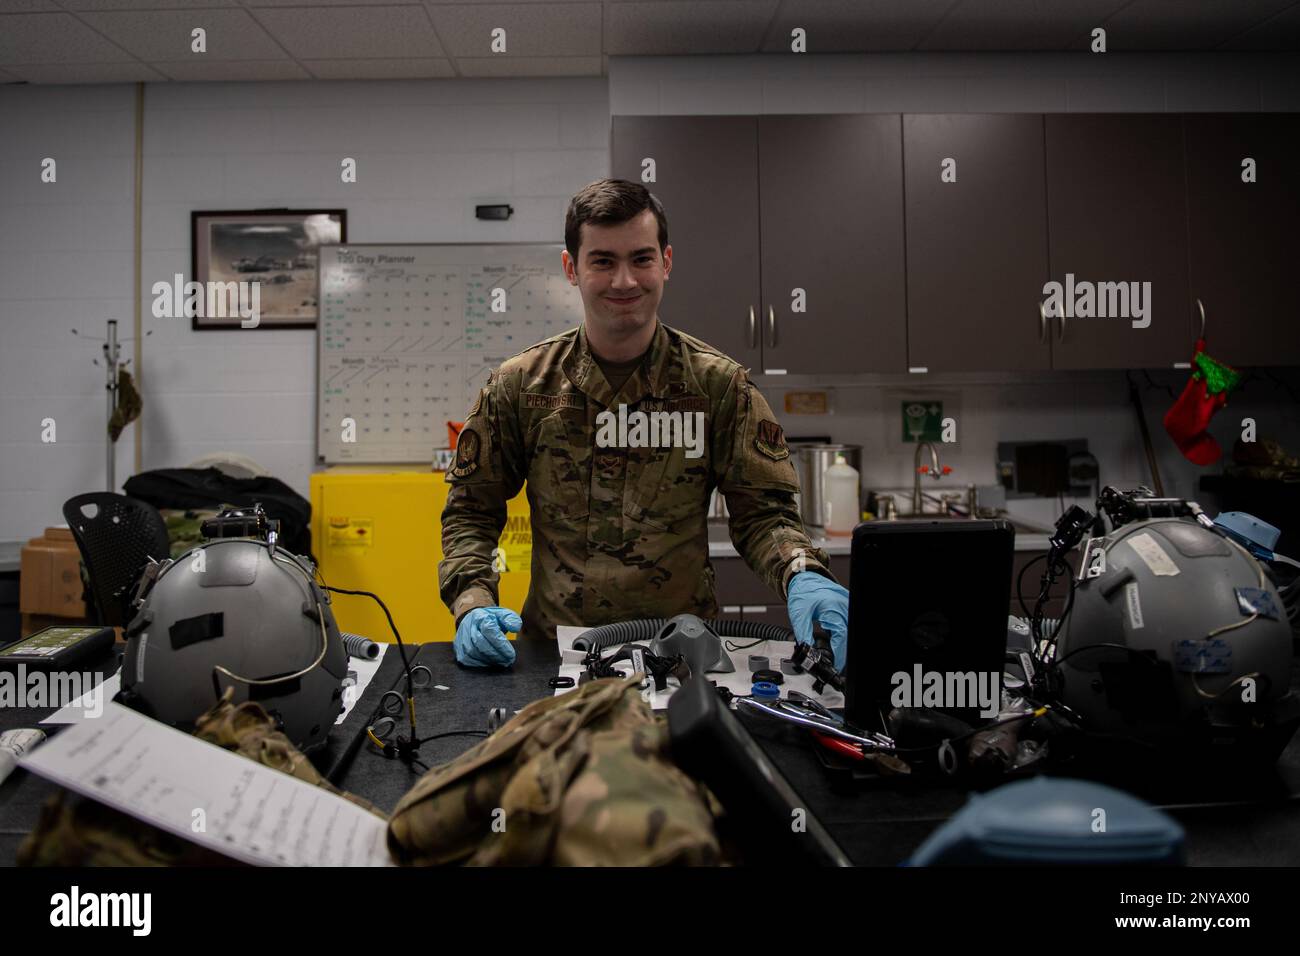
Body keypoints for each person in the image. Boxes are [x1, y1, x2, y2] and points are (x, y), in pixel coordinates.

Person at [439, 179, 850, 669]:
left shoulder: (718, 387)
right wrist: (473, 602)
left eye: (641, 258)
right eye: (603, 261)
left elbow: (764, 515)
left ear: (666, 262)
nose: (624, 282)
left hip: (685, 654)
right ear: (572, 268)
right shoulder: (521, 387)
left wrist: (802, 573)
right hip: (556, 656)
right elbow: (471, 512)